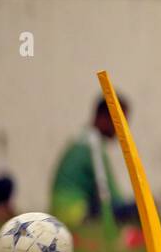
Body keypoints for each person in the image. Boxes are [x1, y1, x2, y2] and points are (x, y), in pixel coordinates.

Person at [49, 96, 139, 230]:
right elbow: (111, 194)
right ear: (103, 117)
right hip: (77, 212)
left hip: (62, 209)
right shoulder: (93, 148)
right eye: (120, 122)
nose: (123, 130)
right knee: (137, 208)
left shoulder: (82, 140)